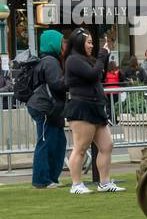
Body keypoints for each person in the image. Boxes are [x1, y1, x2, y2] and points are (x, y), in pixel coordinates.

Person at [64, 29, 124, 194]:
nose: (91, 46)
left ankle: (104, 182)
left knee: (107, 145)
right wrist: (102, 55)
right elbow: (92, 75)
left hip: (95, 106)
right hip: (82, 107)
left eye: (91, 42)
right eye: (88, 42)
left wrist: (102, 58)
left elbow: (99, 75)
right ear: (79, 43)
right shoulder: (73, 60)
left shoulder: (86, 59)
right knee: (81, 147)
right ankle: (76, 184)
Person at [28, 29, 67, 190]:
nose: (65, 45)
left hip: (48, 107)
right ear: (54, 44)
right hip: (45, 108)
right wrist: (72, 81)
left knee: (57, 142)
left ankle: (50, 177)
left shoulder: (47, 61)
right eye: (62, 42)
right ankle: (42, 179)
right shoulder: (50, 62)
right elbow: (57, 84)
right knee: (46, 142)